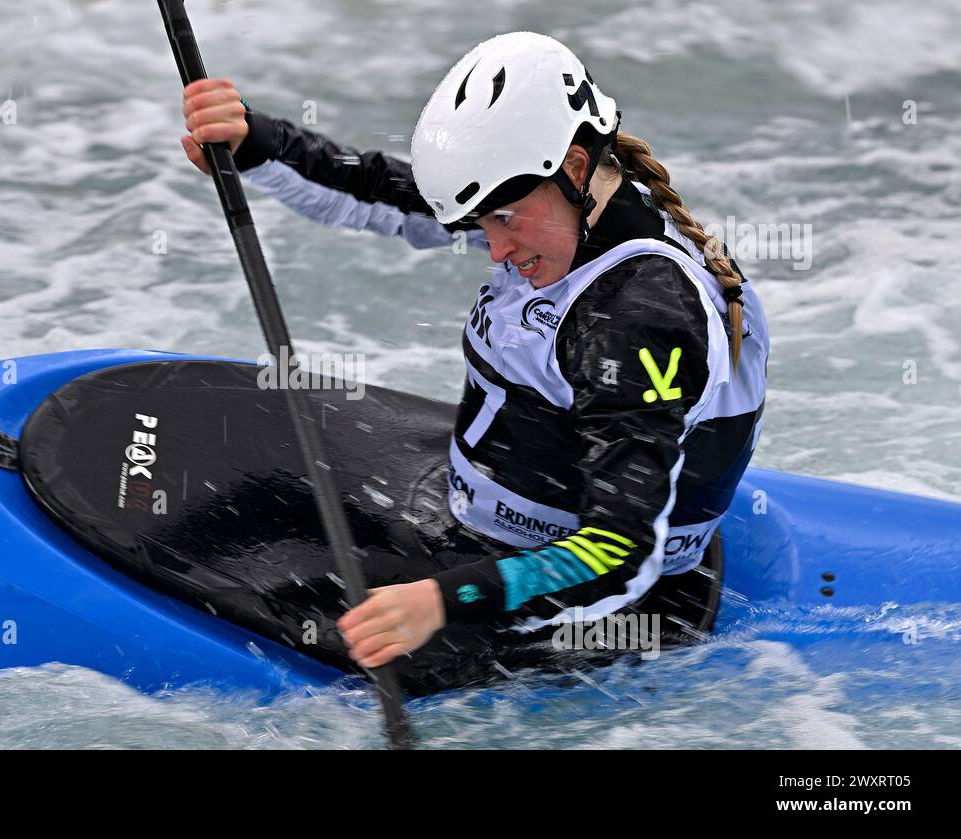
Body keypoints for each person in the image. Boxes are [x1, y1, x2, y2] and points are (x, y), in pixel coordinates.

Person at [180, 32, 768, 670]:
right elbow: (385, 195)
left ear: (573, 168)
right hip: (487, 520)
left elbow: (620, 552)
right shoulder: (580, 209)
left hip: (593, 605)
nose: (493, 249)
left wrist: (441, 601)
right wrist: (256, 144)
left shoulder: (635, 318)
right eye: (482, 223)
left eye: (503, 221)